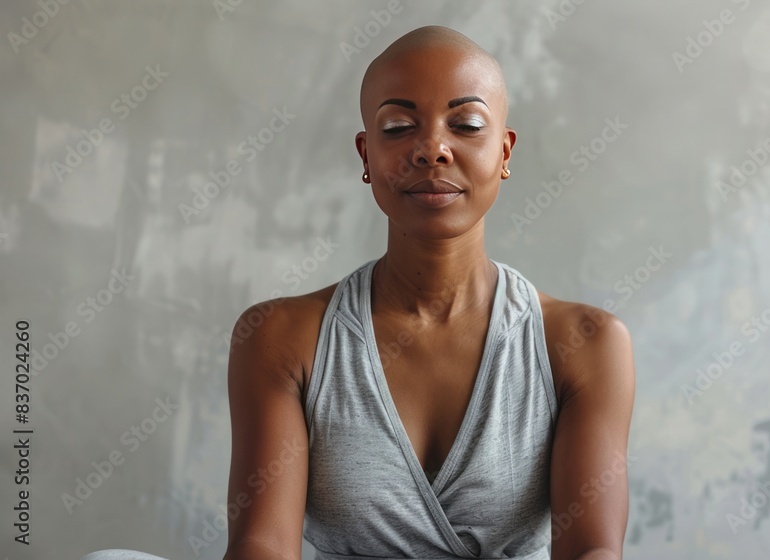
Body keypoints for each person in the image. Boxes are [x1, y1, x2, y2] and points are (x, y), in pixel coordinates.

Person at [81, 25, 635, 560]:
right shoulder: (280, 337)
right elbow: (263, 546)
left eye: (466, 124)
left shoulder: (586, 343)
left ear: (506, 151)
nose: (432, 150)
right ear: (366, 156)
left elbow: (591, 549)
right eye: (398, 128)